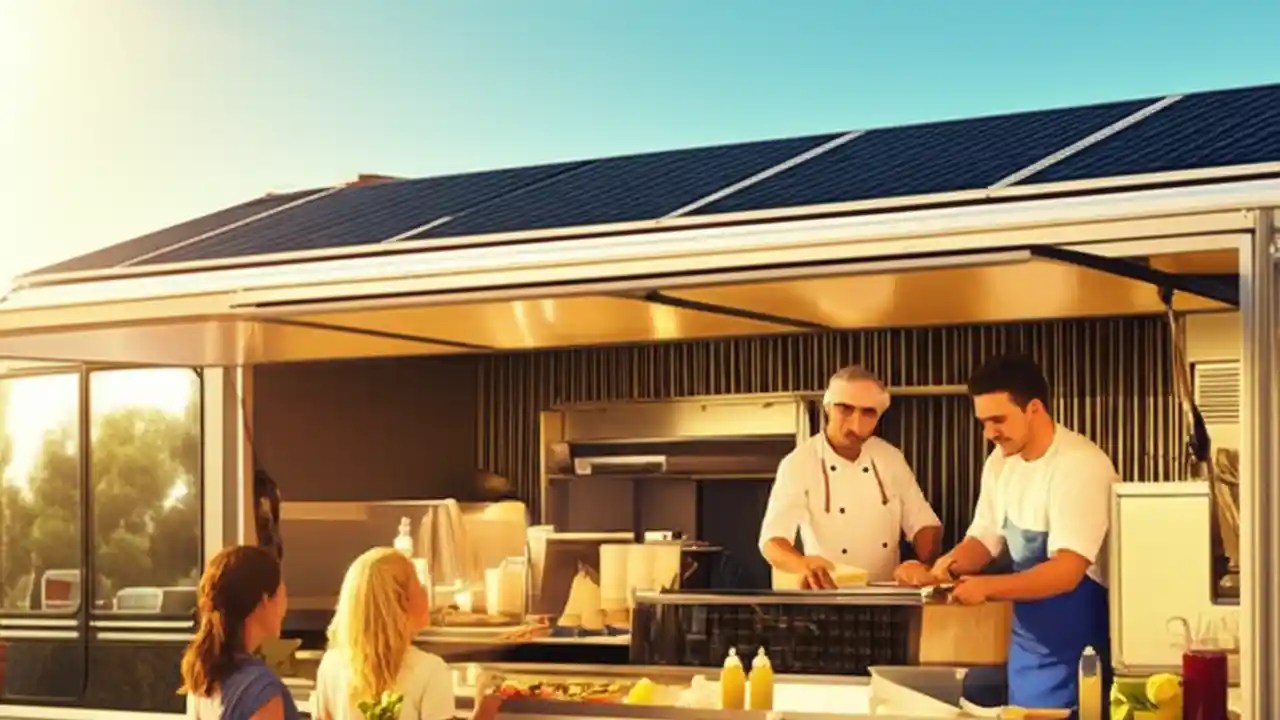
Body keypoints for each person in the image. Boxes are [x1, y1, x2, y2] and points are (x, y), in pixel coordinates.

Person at [920, 353, 1118, 712]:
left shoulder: (1079, 465)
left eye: (998, 420)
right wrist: (948, 566)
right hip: (1027, 646)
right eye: (982, 422)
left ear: (1035, 409)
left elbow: (1066, 572)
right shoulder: (1000, 461)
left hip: (1079, 650)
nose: (989, 433)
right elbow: (984, 538)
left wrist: (987, 588)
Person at [759, 364, 943, 588]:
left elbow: (925, 523)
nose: (855, 424)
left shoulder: (890, 458)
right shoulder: (799, 463)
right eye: (845, 409)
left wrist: (924, 566)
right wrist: (802, 564)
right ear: (827, 407)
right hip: (829, 595)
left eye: (868, 413)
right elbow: (772, 540)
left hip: (888, 595)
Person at [312, 548, 455, 720]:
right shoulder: (431, 672)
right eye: (418, 583)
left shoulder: (331, 665)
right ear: (402, 602)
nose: (424, 590)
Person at [181, 545, 298, 720]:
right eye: (283, 594)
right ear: (265, 600)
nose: (285, 608)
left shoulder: (204, 676)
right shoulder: (261, 691)